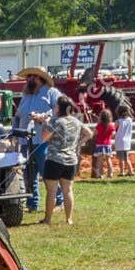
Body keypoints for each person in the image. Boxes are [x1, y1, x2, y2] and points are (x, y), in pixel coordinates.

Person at [11, 67, 63, 209]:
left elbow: (60, 111)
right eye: (27, 77)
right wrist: (14, 130)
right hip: (25, 141)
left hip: (43, 140)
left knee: (47, 173)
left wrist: (43, 117)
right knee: (28, 174)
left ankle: (59, 201)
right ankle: (32, 203)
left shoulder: (51, 93)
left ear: (40, 78)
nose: (28, 80)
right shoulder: (26, 95)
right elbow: (18, 115)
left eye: (31, 77)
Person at [40, 96, 85, 226]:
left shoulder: (56, 121)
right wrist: (78, 144)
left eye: (55, 106)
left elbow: (44, 137)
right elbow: (88, 132)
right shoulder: (76, 121)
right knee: (68, 190)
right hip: (71, 160)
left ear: (59, 108)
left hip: (54, 159)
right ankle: (69, 219)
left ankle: (48, 219)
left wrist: (44, 123)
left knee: (52, 191)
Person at [91, 108, 114, 178]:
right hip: (107, 145)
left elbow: (94, 133)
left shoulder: (99, 125)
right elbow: (113, 134)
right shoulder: (111, 126)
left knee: (99, 160)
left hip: (99, 145)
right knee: (108, 160)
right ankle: (110, 174)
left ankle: (98, 174)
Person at [113, 104, 135, 177]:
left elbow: (114, 128)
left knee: (121, 159)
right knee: (126, 158)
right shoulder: (130, 120)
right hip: (127, 141)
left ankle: (122, 172)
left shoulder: (118, 121)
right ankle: (130, 171)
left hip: (120, 141)